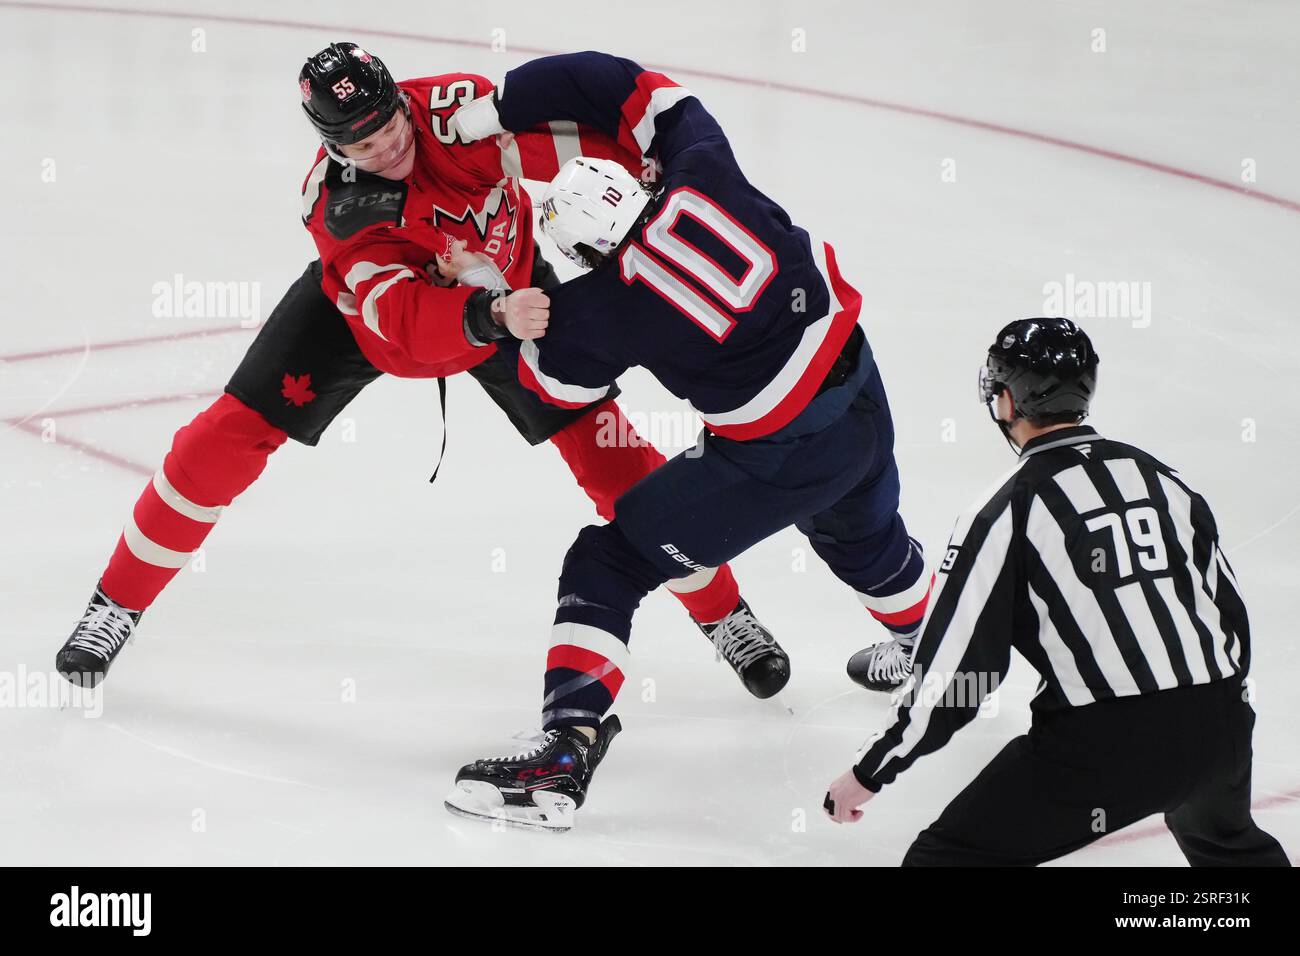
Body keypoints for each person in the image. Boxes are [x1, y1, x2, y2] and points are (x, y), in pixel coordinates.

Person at [54, 42, 789, 699]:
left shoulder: (450, 112)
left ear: (401, 100)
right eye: (365, 144)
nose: (388, 148)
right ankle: (115, 602)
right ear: (334, 145)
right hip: (384, 323)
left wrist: (646, 164)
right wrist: (485, 317)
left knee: (619, 459)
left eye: (390, 126)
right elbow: (398, 315)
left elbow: (554, 143)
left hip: (514, 288)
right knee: (219, 442)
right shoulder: (340, 205)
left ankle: (727, 617)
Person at [438, 51, 929, 831]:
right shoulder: (704, 168)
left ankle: (564, 749)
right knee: (865, 538)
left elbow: (553, 387)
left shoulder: (604, 302)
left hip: (777, 454)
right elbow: (631, 85)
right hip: (861, 390)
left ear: (588, 253)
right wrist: (500, 104)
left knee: (607, 561)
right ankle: (928, 650)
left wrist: (490, 296)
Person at [824, 317, 1290, 867]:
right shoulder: (1162, 479)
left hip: (1107, 744)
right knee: (1223, 842)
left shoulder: (1004, 510)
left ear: (1005, 402)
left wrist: (871, 770)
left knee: (944, 859)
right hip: (1222, 719)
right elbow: (1226, 611)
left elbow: (960, 674)